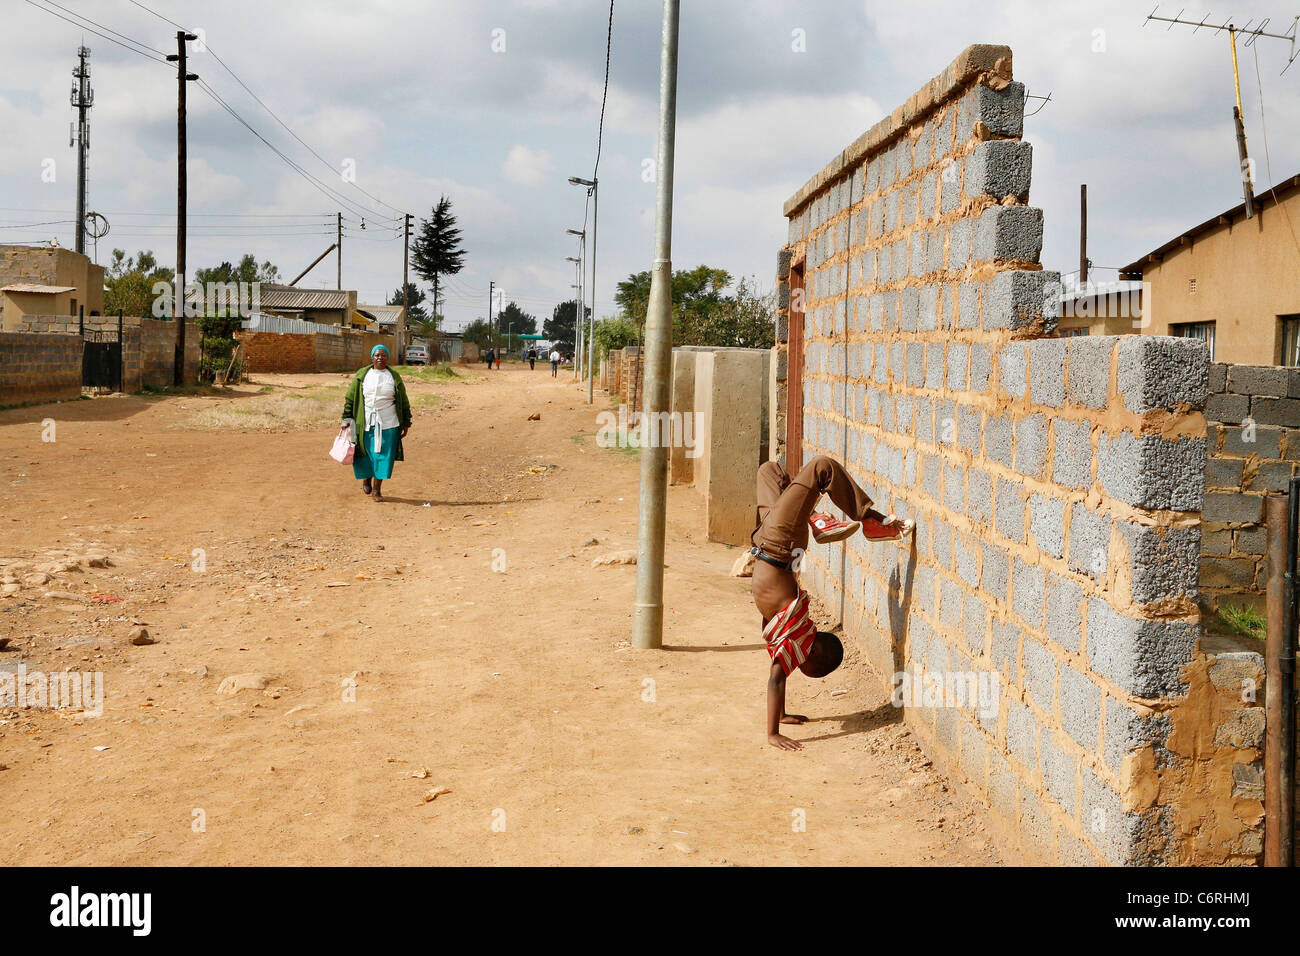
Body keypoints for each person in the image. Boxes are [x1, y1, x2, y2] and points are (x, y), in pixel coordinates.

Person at [751, 455, 914, 751]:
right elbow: (776, 680)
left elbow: (780, 675)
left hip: (767, 539)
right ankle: (869, 520)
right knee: (822, 468)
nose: (795, 667)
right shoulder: (798, 639)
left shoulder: (792, 642)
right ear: (812, 651)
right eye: (805, 666)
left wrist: (783, 714)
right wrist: (772, 732)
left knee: (768, 470)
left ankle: (813, 517)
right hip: (780, 543)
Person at [341, 344, 412, 503]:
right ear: (372, 357)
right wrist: (346, 419)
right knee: (365, 454)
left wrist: (406, 421)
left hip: (388, 422)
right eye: (377, 355)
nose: (380, 358)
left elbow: (403, 401)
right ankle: (366, 478)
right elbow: (350, 398)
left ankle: (377, 489)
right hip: (365, 421)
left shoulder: (394, 377)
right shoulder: (362, 375)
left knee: (383, 456)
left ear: (387, 358)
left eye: (383, 355)